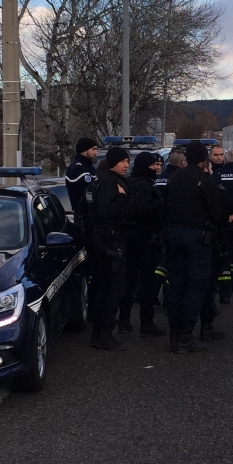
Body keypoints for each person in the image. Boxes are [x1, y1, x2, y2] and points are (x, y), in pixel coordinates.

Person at [161, 141, 231, 352]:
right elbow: (217, 214)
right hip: (198, 239)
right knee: (196, 286)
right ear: (204, 160)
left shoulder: (174, 179)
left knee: (176, 285)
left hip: (176, 235)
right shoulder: (205, 181)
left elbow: (166, 207)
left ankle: (174, 334)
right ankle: (184, 336)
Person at [86, 146, 131, 349]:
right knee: (112, 289)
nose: (126, 165)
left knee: (107, 287)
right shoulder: (108, 182)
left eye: (127, 161)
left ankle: (101, 333)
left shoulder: (102, 179)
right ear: (113, 162)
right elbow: (106, 212)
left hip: (106, 241)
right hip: (109, 243)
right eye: (122, 161)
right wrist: (122, 199)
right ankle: (103, 334)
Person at [118, 152, 167, 337]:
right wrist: (157, 204)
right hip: (144, 241)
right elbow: (142, 211)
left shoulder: (128, 183)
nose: (157, 168)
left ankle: (124, 321)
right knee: (145, 284)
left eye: (159, 164)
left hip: (131, 241)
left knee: (129, 283)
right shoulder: (144, 187)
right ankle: (146, 323)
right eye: (154, 164)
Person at [211, 145, 233, 304]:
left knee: (224, 256)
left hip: (223, 224)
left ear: (225, 159)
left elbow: (215, 200)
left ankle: (225, 294)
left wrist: (226, 216)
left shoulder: (217, 175)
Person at [66, 137, 99, 234]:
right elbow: (90, 195)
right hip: (85, 220)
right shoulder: (79, 170)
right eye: (93, 149)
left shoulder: (88, 168)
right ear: (84, 150)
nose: (96, 153)